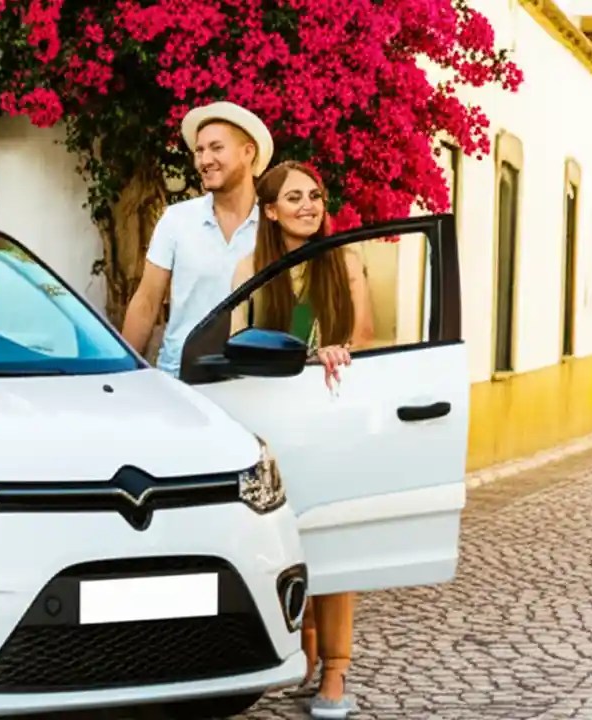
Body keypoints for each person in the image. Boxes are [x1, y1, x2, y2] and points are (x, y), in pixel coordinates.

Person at [231, 160, 374, 719]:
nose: (309, 206)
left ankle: (336, 673)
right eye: (293, 198)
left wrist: (334, 350)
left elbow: (363, 333)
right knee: (291, 541)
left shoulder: (344, 259)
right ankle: (308, 656)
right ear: (269, 210)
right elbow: (239, 340)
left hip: (330, 416)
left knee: (334, 544)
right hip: (272, 423)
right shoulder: (250, 266)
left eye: (314, 195)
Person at [120, 101, 275, 377]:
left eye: (216, 148)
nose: (204, 160)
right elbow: (146, 302)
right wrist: (121, 374)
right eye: (199, 151)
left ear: (248, 152)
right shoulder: (176, 219)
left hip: (253, 380)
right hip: (182, 380)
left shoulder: (273, 225)